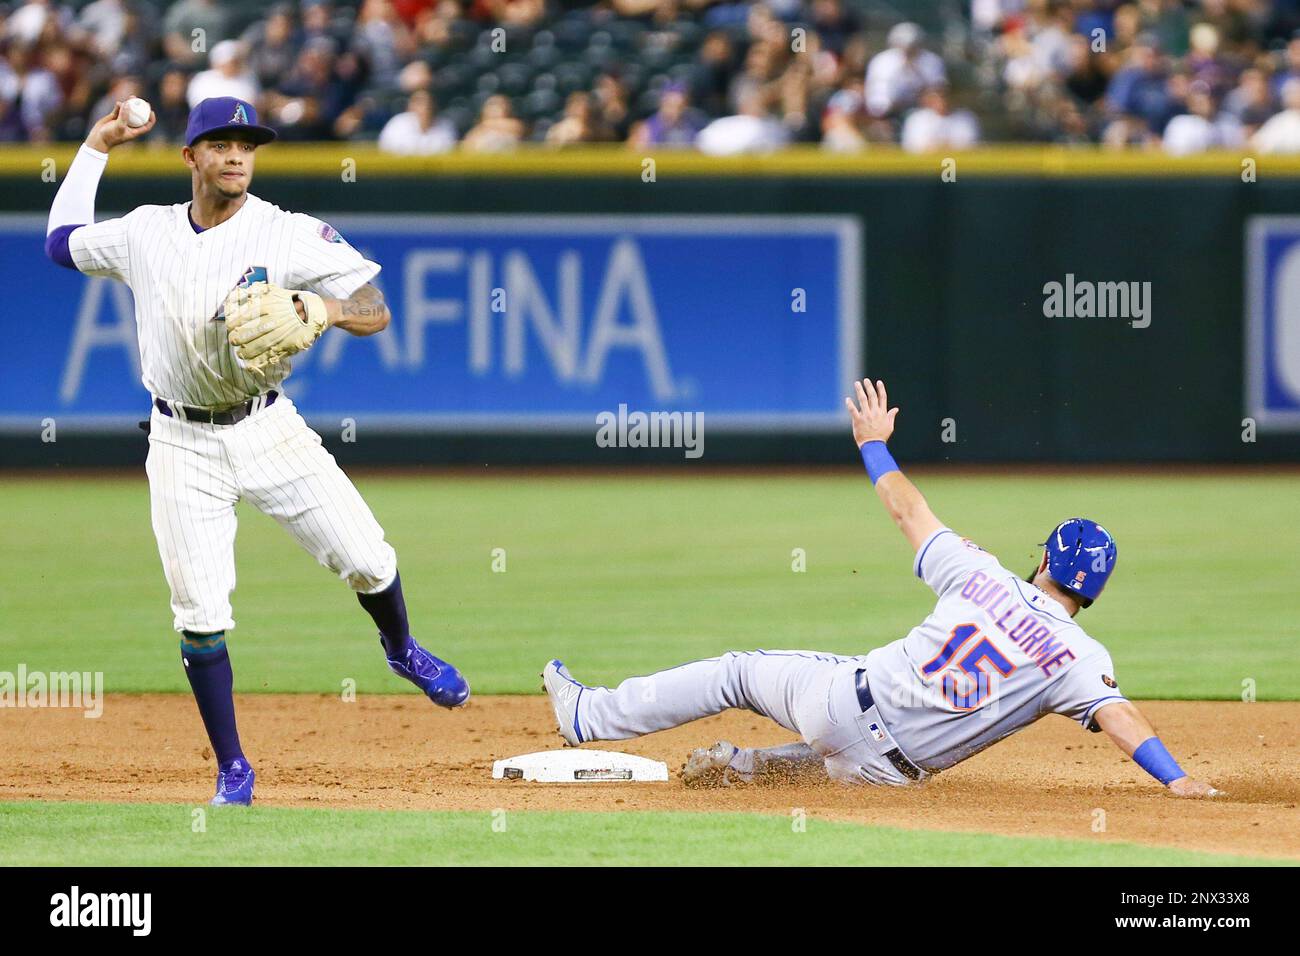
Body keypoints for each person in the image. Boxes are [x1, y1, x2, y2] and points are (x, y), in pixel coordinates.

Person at [42, 96, 470, 806]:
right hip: (180, 439)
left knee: (370, 559)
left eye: (247, 143)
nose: (236, 154)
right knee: (199, 613)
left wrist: (323, 310)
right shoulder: (147, 232)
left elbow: (377, 308)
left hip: (268, 427)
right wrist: (96, 143)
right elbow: (61, 243)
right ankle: (233, 768)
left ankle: (402, 650)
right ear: (191, 156)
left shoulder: (286, 232)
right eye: (219, 142)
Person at [544, 379, 1223, 799]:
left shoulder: (981, 574)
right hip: (888, 776)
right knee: (845, 760)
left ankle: (592, 717)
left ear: (1045, 555)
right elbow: (1120, 719)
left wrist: (873, 443)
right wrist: (1179, 779)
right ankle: (742, 770)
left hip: (842, 703)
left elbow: (907, 510)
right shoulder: (1078, 658)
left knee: (736, 674)